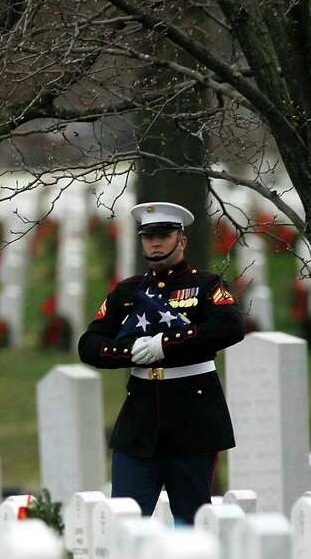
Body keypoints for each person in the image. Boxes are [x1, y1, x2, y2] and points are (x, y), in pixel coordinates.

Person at [78, 201, 245, 524]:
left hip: (192, 419)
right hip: (140, 422)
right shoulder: (128, 292)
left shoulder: (206, 285)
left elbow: (229, 326)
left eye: (164, 235)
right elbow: (90, 344)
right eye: (148, 236)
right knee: (124, 521)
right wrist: (130, 351)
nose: (155, 243)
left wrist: (164, 345)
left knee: (192, 522)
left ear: (181, 240)